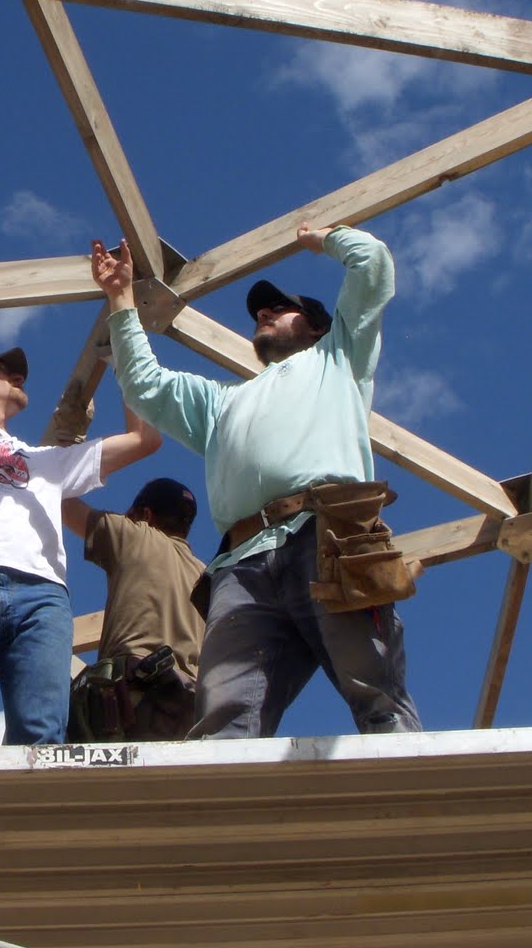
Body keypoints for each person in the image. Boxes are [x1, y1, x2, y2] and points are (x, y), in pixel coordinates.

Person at [89, 225, 422, 738]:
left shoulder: (338, 356)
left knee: (375, 691)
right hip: (241, 562)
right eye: (261, 312)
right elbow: (147, 386)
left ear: (316, 327)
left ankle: (416, 801)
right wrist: (120, 296)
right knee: (222, 713)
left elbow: (373, 266)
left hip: (327, 535)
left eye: (280, 309)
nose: (264, 313)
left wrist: (326, 237)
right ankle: (219, 812)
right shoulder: (224, 403)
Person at [0, 280, 159, 747]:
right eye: (6, 371)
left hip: (42, 595)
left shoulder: (44, 461)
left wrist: (123, 352)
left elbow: (145, 439)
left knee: (42, 739)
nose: (20, 376)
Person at [62, 477, 206, 742]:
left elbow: (61, 502)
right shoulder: (206, 577)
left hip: (129, 703)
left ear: (146, 515)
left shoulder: (134, 535)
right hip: (188, 712)